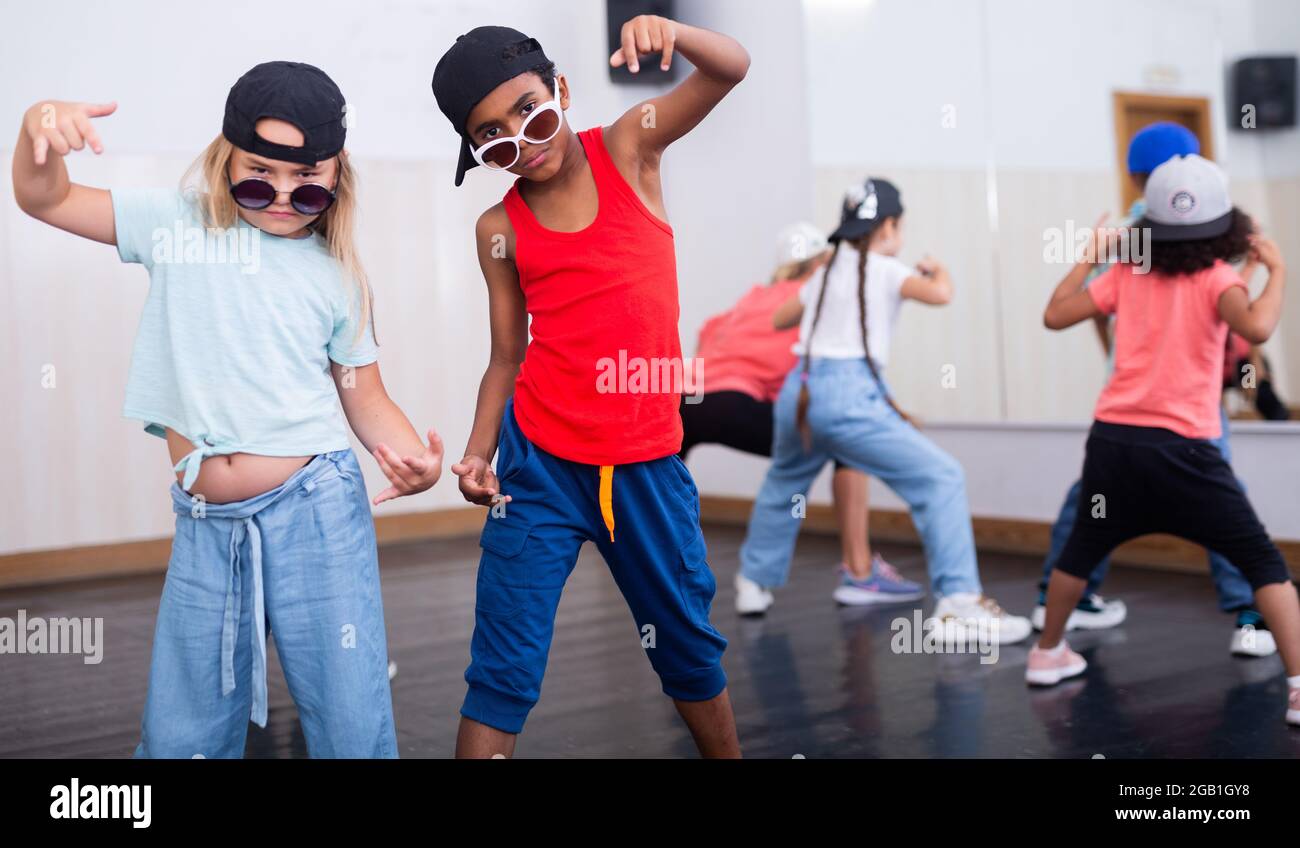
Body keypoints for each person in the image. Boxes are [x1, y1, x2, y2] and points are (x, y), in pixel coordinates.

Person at [12, 62, 444, 757]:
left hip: (317, 510)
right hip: (207, 523)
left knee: (350, 712)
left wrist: (416, 460)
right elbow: (46, 200)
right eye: (257, 176)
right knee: (185, 726)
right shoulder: (175, 224)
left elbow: (366, 398)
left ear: (337, 177)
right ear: (225, 159)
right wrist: (39, 126)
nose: (280, 195)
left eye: (306, 182)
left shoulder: (337, 277)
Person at [431, 18, 748, 757]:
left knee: (686, 647)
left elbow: (730, 68)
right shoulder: (496, 228)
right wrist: (480, 454)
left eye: (532, 111)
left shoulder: (630, 146)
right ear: (480, 152)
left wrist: (671, 31)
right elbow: (507, 354)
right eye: (495, 137)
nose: (524, 138)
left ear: (562, 91)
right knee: (502, 664)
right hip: (537, 465)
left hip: (645, 463)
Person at [1031, 154, 1300, 728]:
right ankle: (1299, 687)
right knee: (1263, 562)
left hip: (1115, 443)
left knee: (1081, 547)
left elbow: (1055, 315)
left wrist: (1091, 256)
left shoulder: (1127, 275)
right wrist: (1276, 272)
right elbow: (1253, 326)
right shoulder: (1219, 279)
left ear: (1145, 226)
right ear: (1228, 226)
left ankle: (1046, 651)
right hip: (1187, 452)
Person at [736, 178, 1032, 644]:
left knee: (785, 483)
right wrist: (938, 269)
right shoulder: (888, 269)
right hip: (848, 395)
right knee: (942, 478)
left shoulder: (827, 272)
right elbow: (941, 295)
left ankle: (754, 582)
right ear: (890, 226)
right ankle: (959, 604)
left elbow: (779, 319)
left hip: (802, 390)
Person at [680, 223, 923, 612]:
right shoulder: (817, 297)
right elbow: (833, 366)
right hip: (735, 402)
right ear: (821, 263)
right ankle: (859, 572)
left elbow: (706, 330)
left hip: (684, 401)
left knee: (662, 479)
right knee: (845, 448)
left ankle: (656, 560)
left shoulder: (753, 297)